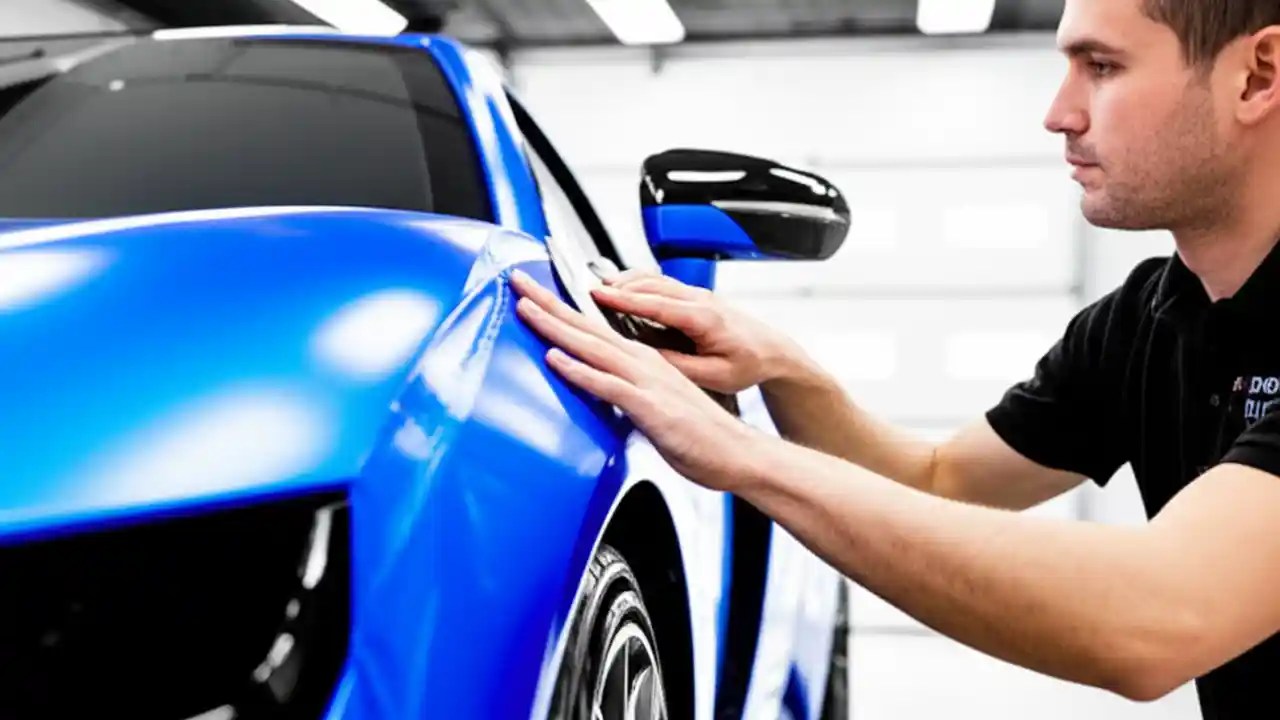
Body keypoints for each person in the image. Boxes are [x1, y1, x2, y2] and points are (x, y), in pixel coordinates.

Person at [509, 0, 1280, 716]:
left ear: (1258, 76)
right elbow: (941, 483)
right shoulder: (1146, 318)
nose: (1058, 114)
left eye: (1102, 67)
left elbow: (1152, 623)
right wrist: (784, 370)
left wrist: (739, 457)